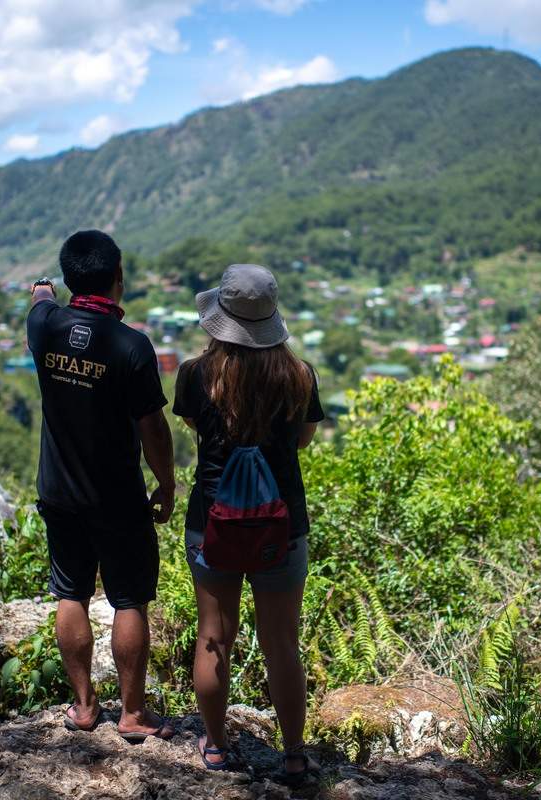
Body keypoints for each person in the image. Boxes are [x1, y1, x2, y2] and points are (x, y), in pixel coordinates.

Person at [173, 263, 324, 783]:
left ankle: (215, 748)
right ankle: (295, 756)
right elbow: (301, 441)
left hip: (212, 520)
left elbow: (196, 428)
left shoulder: (195, 374)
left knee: (214, 636)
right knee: (282, 641)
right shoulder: (299, 376)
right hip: (283, 524)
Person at [26, 229, 176, 742]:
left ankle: (85, 705)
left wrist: (43, 287)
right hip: (117, 497)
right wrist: (168, 482)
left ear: (71, 279)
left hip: (59, 492)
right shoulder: (131, 346)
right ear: (118, 278)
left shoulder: (44, 328)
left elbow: (41, 300)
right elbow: (153, 427)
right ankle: (132, 715)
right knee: (128, 600)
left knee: (70, 592)